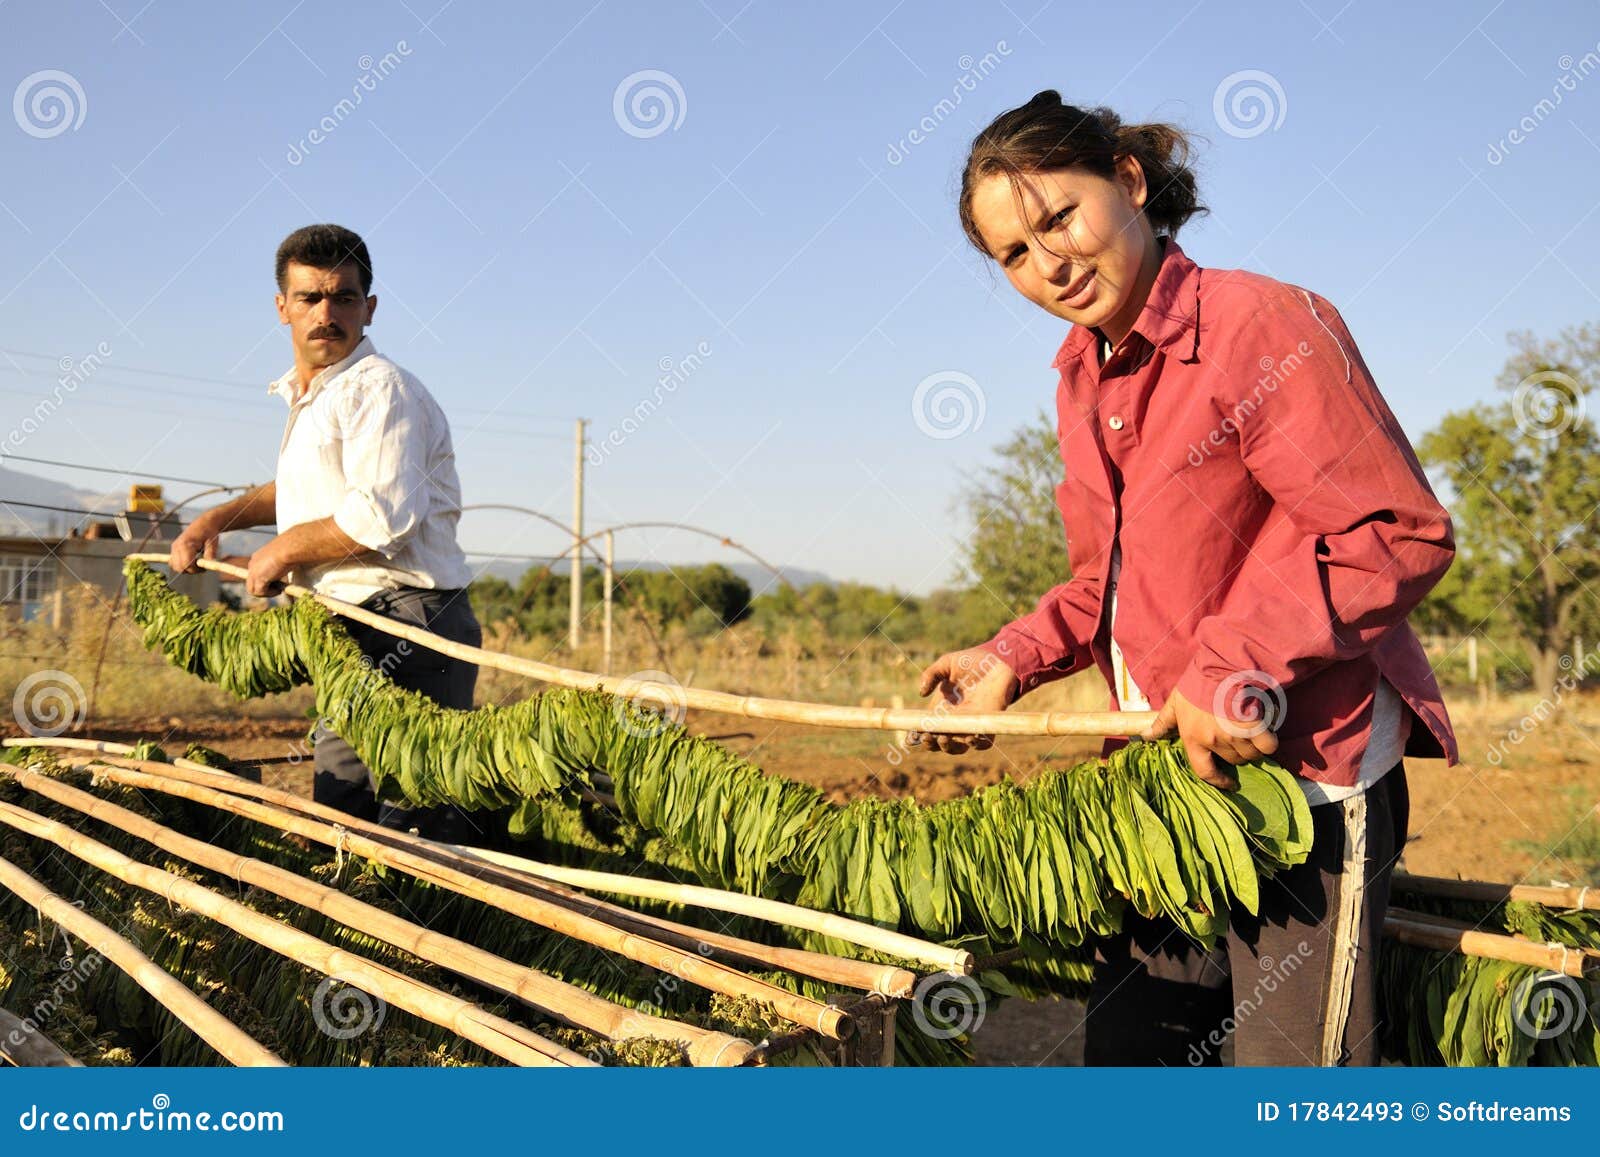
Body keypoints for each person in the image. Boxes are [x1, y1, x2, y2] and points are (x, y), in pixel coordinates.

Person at [914, 92, 1457, 1066]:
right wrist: (1010, 659)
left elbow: (1390, 529)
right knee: (1135, 1061)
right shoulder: (1080, 378)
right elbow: (1107, 583)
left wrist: (1231, 667)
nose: (1048, 263)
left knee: (1293, 1085)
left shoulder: (1259, 323)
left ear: (1127, 182)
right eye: (1013, 254)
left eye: (1057, 218)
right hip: (1162, 787)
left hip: (1304, 779)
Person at [169, 223, 482, 842]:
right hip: (350, 627)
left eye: (343, 297)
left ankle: (434, 931)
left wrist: (280, 551)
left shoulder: (380, 390)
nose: (327, 313)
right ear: (282, 307)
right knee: (346, 813)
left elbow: (377, 516)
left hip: (409, 625)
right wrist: (214, 520)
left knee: (418, 825)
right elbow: (310, 494)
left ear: (369, 308)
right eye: (310, 297)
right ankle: (358, 929)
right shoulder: (316, 396)